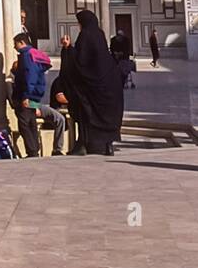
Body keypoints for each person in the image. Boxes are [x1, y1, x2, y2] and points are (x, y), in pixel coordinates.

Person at [58, 10, 124, 155]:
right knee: (105, 114)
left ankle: (82, 145)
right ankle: (108, 146)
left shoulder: (85, 35)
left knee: (85, 110)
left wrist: (67, 48)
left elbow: (81, 62)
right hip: (109, 82)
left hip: (91, 86)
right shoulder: (99, 34)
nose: (79, 26)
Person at [11, 31, 65, 158]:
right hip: (35, 96)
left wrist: (26, 96)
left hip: (27, 96)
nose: (14, 47)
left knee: (24, 124)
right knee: (31, 123)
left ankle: (32, 151)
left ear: (22, 43)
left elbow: (30, 76)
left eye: (15, 44)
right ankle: (34, 150)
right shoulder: (35, 54)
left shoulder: (26, 55)